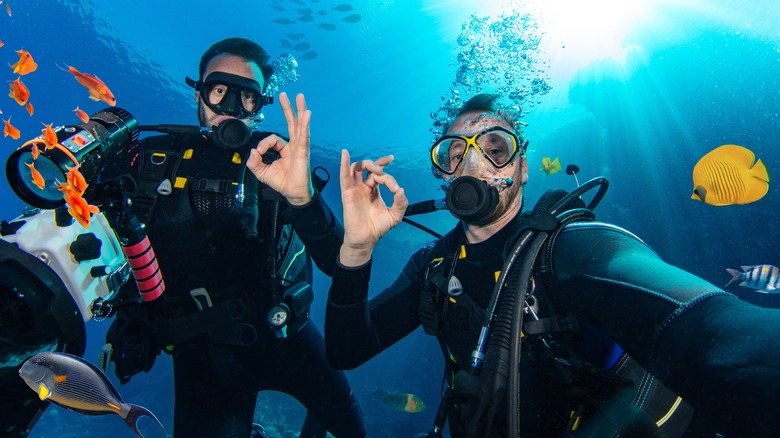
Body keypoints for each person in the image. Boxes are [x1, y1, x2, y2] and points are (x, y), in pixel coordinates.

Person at [325, 93, 780, 437]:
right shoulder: (433, 267)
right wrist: (357, 251)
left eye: (495, 149)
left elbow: (713, 328)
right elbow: (345, 352)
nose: (473, 165)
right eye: (454, 154)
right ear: (443, 173)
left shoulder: (572, 249)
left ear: (523, 168)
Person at [92, 37, 365, 437]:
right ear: (199, 93)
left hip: (286, 336)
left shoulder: (278, 162)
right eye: (219, 91)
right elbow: (80, 222)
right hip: (202, 355)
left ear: (259, 106)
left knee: (353, 429)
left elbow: (339, 264)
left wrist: (304, 198)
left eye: (247, 97)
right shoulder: (151, 160)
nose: (232, 107)